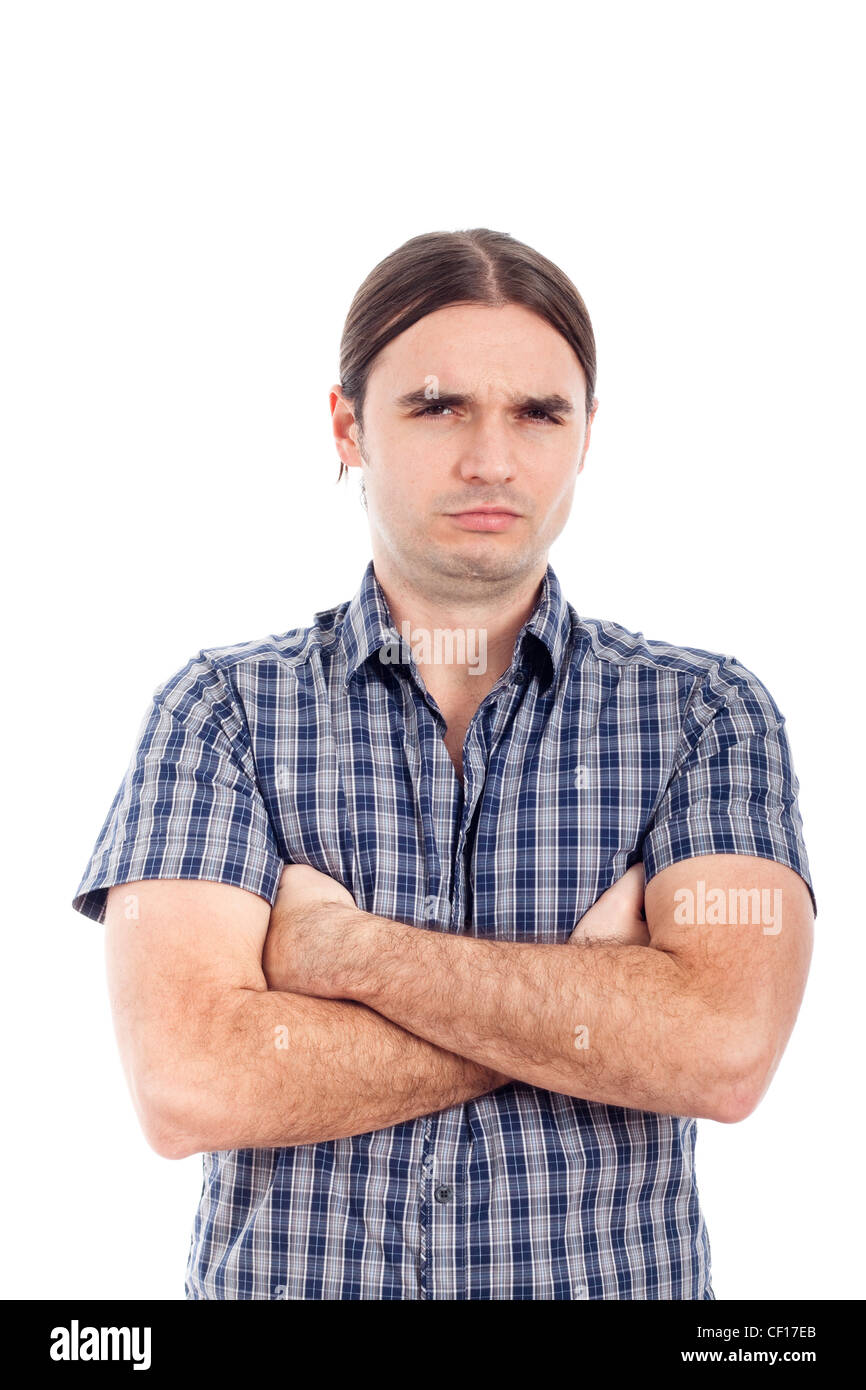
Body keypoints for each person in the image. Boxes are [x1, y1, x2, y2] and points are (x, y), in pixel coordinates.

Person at [72, 228, 816, 1301]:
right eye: (437, 407)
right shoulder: (222, 711)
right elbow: (189, 1084)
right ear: (348, 425)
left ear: (587, 435)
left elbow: (723, 1053)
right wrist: (591, 1004)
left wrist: (346, 952)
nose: (491, 460)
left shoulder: (705, 715)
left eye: (539, 413)